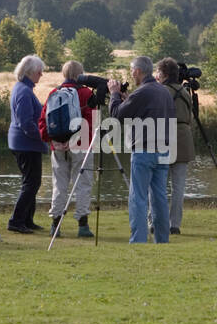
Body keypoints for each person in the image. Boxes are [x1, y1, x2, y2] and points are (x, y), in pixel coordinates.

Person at [109, 55, 176, 243]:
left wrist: (114, 94)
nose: (131, 74)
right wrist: (127, 100)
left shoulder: (142, 92)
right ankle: (163, 239)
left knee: (138, 197)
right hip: (164, 149)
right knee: (160, 197)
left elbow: (117, 115)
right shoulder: (163, 92)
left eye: (132, 70)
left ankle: (138, 239)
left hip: (144, 149)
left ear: (138, 71)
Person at [38, 60, 103, 239]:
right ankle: (82, 225)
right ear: (81, 74)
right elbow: (92, 122)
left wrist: (51, 139)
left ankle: (55, 225)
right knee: (82, 184)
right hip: (81, 145)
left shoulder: (54, 93)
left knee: (59, 185)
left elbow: (43, 121)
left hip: (57, 145)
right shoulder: (86, 93)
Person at [153, 57, 194, 235]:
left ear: (163, 74)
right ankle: (174, 224)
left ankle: (155, 221)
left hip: (164, 136)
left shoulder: (160, 91)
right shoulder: (186, 92)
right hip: (184, 137)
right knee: (179, 186)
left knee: (158, 184)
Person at [7, 55, 47, 234]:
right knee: (31, 183)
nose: (42, 75)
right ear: (31, 72)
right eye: (40, 72)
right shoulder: (24, 91)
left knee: (32, 182)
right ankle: (16, 220)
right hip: (26, 144)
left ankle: (27, 219)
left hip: (24, 143)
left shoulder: (23, 89)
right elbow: (25, 122)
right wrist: (43, 136)